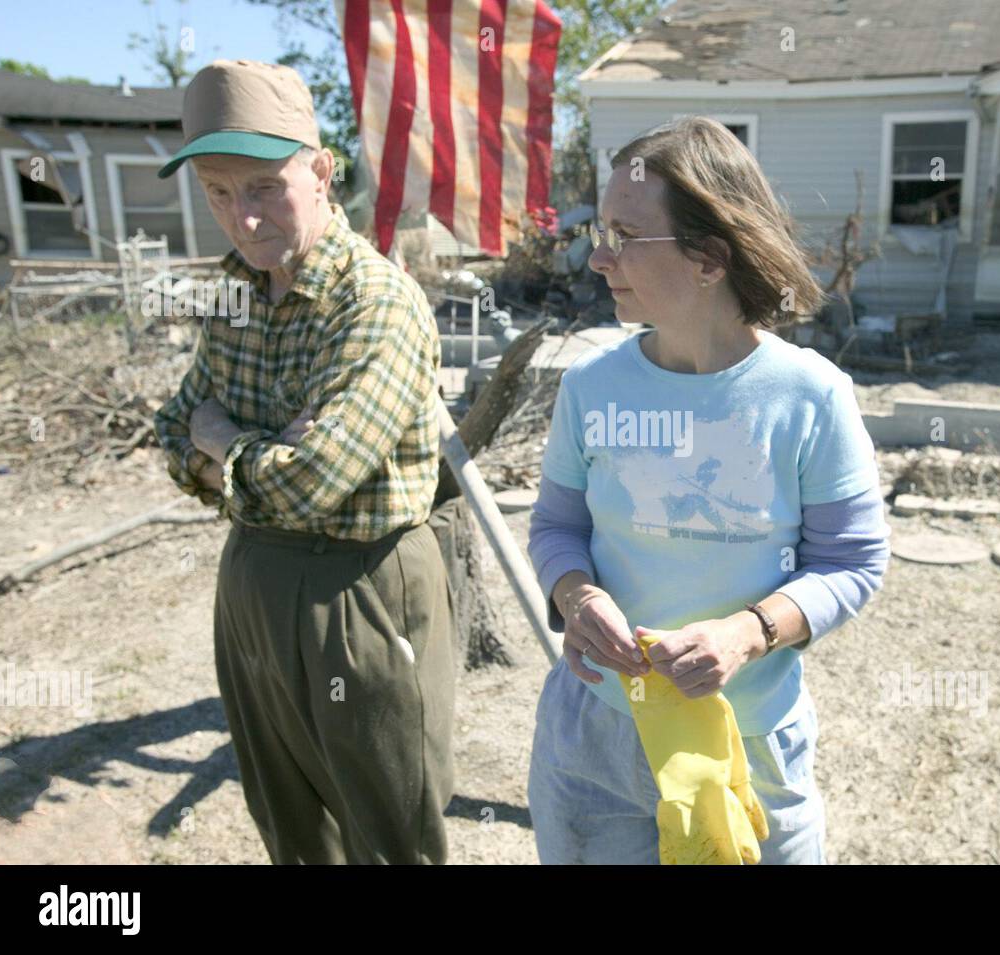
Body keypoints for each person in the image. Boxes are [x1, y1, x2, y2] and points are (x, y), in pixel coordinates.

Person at [525, 116, 892, 864]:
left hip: (747, 745)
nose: (598, 257)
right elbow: (556, 527)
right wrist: (576, 596)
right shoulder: (591, 388)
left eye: (626, 236)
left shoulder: (810, 396)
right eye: (600, 231)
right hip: (593, 740)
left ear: (709, 257)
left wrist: (748, 631)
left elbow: (853, 561)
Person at [151, 60, 455, 864]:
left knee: (389, 835)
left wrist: (221, 444)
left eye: (262, 187)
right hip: (250, 578)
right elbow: (170, 428)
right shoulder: (234, 294)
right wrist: (252, 450)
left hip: (356, 591)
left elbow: (317, 478)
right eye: (218, 193)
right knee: (288, 828)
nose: (242, 220)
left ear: (321, 171)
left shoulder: (376, 302)